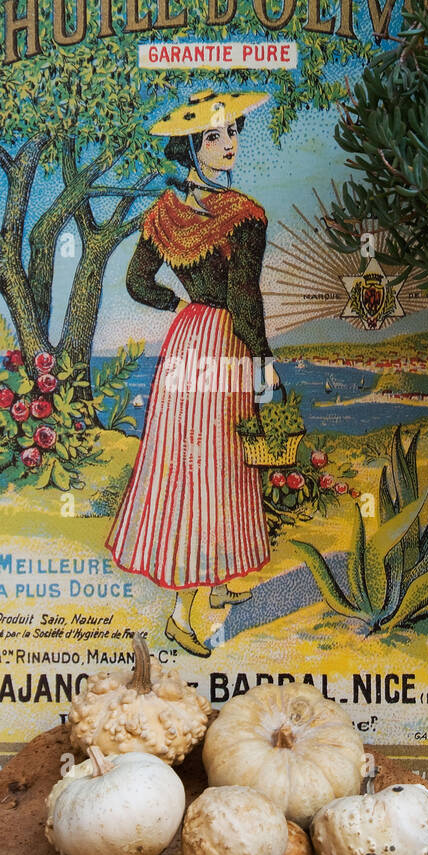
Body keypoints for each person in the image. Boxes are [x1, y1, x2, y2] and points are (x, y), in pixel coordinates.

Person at [106, 88, 279, 657]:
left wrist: (178, 308)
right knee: (218, 457)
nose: (228, 144)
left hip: (186, 345)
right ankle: (182, 613)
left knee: (191, 457)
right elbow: (245, 296)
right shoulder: (245, 215)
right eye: (213, 136)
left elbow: (138, 282)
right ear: (190, 147)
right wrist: (263, 360)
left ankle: (221, 577)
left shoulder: (163, 213)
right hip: (225, 341)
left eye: (232, 132)